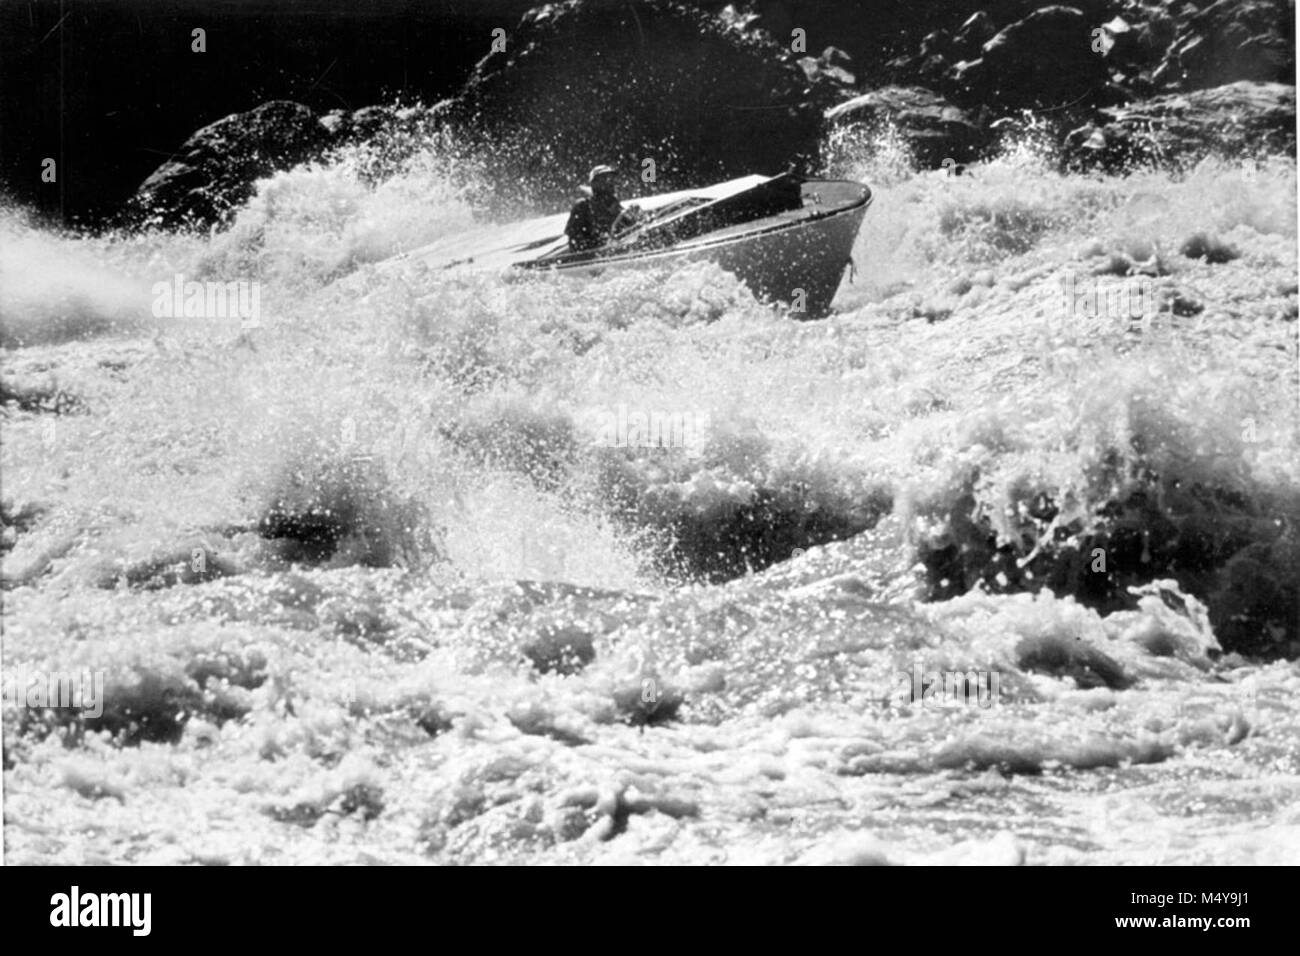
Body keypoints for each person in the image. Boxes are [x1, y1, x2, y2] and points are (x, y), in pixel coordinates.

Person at [565, 165, 641, 251]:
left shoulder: (614, 205)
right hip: (593, 257)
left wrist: (635, 218)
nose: (611, 182)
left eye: (612, 179)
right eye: (606, 179)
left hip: (615, 252)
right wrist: (602, 244)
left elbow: (633, 229)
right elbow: (574, 242)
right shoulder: (583, 206)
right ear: (595, 184)